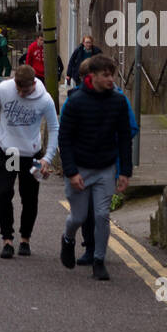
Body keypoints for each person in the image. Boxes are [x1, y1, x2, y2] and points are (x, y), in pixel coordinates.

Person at [0, 64, 59, 258]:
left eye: (24, 90)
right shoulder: (4, 89)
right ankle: (7, 240)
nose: (20, 92)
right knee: (5, 192)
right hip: (8, 151)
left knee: (29, 198)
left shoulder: (45, 100)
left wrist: (47, 158)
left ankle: (25, 238)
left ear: (33, 84)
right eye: (18, 88)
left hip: (32, 155)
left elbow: (54, 128)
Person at [58, 53, 132, 280]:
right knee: (78, 217)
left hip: (105, 168)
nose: (111, 79)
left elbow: (124, 137)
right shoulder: (75, 101)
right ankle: (68, 238)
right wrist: (71, 172)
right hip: (80, 168)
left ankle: (99, 260)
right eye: (106, 75)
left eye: (113, 75)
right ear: (93, 76)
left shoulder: (118, 101)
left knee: (101, 215)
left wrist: (125, 171)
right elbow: (65, 138)